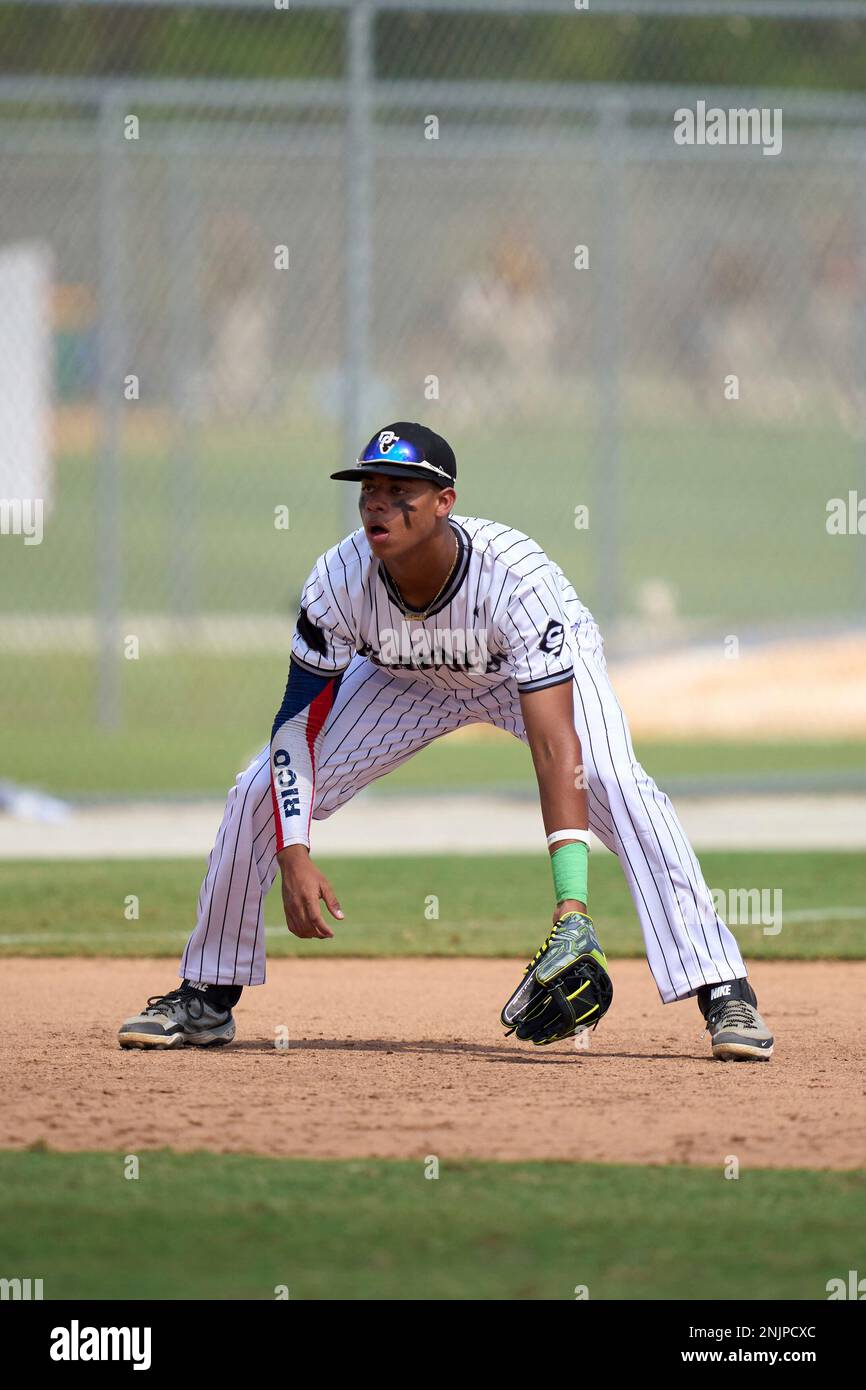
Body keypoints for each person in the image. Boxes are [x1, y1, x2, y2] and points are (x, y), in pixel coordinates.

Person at [118, 422, 774, 1061]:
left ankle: (722, 989)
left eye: (401, 490)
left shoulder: (513, 578)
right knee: (261, 788)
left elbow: (555, 748)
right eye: (370, 487)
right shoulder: (337, 581)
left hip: (519, 670)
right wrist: (293, 850)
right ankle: (205, 994)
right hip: (404, 679)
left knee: (615, 783)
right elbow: (297, 725)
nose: (379, 502)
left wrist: (570, 904)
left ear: (443, 504)